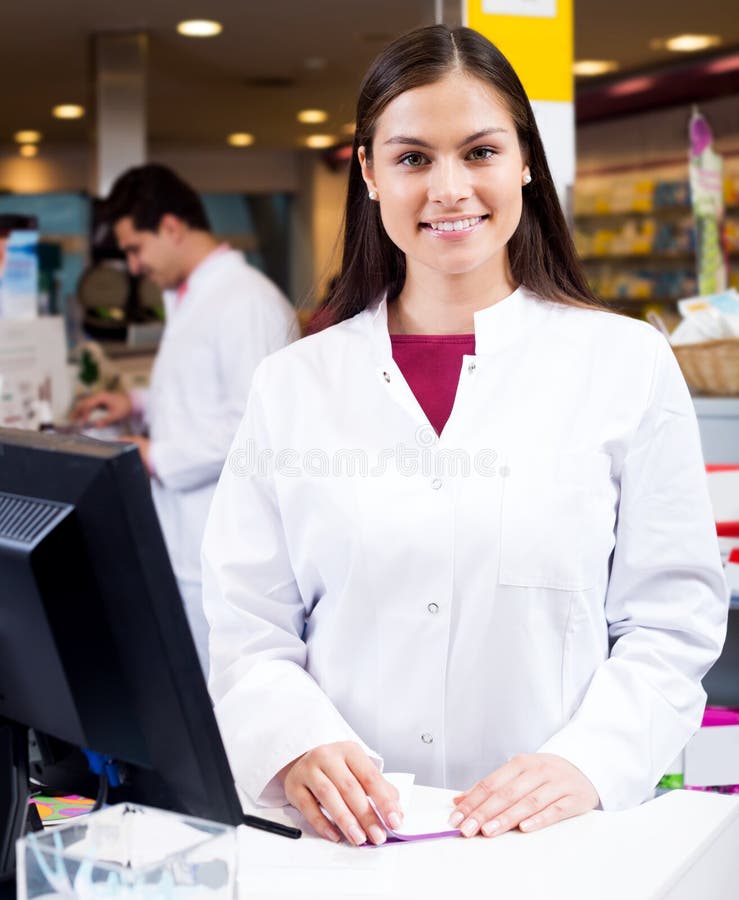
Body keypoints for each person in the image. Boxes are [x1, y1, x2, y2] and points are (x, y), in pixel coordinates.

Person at [201, 26, 728, 847]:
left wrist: (588, 762)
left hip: (557, 842)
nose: (449, 188)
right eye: (413, 158)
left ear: (524, 160)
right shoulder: (294, 384)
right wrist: (294, 738)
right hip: (350, 843)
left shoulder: (625, 362)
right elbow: (246, 622)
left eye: (479, 151)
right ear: (369, 174)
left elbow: (671, 618)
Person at [73, 164, 296, 671]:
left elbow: (252, 430)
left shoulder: (246, 302)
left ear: (171, 228)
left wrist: (151, 455)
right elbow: (200, 393)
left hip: (225, 544)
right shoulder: (196, 296)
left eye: (135, 248)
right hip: (188, 533)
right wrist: (136, 404)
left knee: (222, 701)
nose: (133, 266)